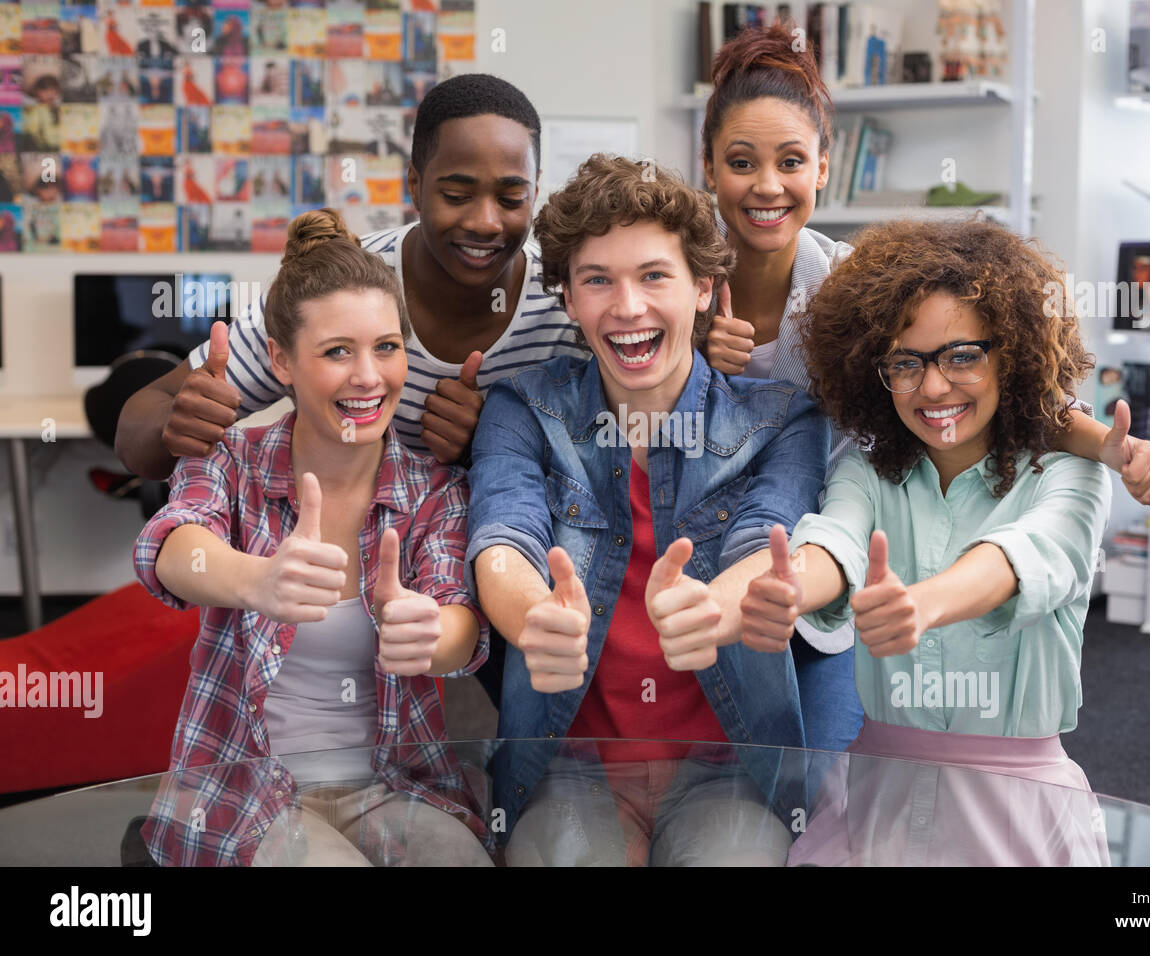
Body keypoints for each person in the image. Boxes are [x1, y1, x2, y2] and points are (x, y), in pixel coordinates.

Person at [697, 23, 1150, 751]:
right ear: (708, 168)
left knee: (812, 777)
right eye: (741, 161)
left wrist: (1110, 450)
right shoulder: (674, 283)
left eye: (792, 160)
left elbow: (1004, 392)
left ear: (823, 167)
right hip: (729, 544)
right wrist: (691, 354)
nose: (768, 184)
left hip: (830, 529)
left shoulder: (850, 286)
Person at [115, 75, 585, 707]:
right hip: (362, 605)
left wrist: (497, 444)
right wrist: (174, 430)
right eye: (455, 193)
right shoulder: (349, 287)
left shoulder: (570, 306)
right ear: (414, 185)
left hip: (501, 586)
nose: (484, 221)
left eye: (511, 196)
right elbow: (139, 430)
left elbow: (609, 469)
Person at [468, 155, 828, 866]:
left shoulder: (783, 418)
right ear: (568, 300)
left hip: (730, 771)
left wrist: (715, 607)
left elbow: (766, 540)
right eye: (598, 280)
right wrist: (534, 620)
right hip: (571, 767)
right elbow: (503, 537)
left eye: (653, 276)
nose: (627, 307)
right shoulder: (521, 407)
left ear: (703, 288)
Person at [723, 218, 1117, 865]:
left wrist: (924, 603)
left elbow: (1027, 556)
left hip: (1019, 816)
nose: (933, 387)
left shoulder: (1071, 473)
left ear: (1010, 354)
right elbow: (834, 545)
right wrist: (784, 590)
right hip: (874, 801)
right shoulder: (869, 467)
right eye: (906, 362)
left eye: (962, 355)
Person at [134, 210, 492, 866]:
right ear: (280, 359)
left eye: (386, 347)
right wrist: (258, 580)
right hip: (248, 792)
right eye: (337, 351)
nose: (368, 377)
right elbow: (170, 546)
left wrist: (429, 635)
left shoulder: (433, 489)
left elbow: (460, 627)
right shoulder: (233, 461)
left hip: (393, 787)